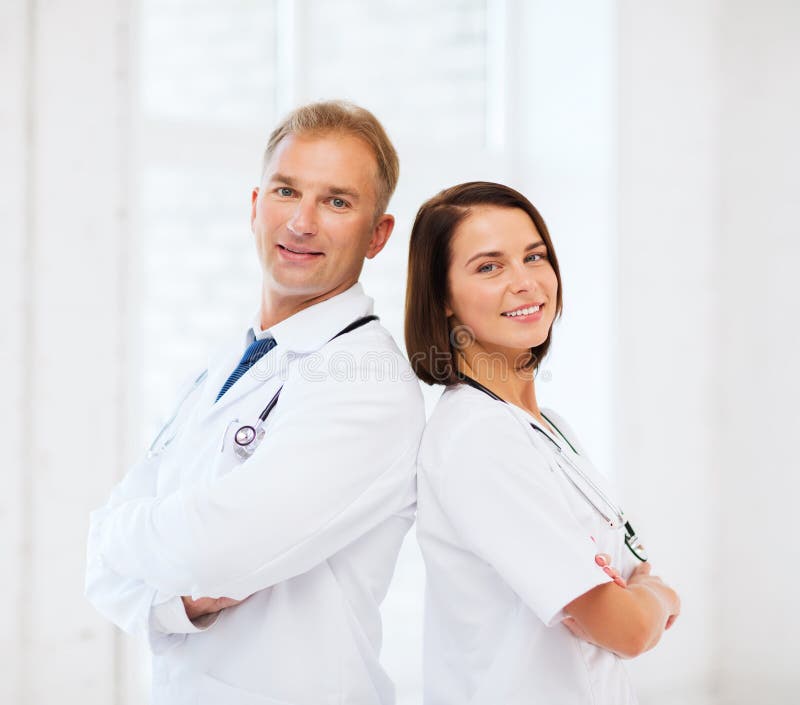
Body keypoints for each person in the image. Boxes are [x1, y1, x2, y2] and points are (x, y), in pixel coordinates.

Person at [85, 100, 425, 705]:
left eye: (336, 201)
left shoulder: (368, 384)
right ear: (254, 206)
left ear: (377, 235)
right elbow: (106, 572)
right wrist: (175, 602)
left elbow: (216, 547)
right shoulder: (229, 359)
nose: (302, 222)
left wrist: (111, 533)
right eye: (286, 191)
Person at [404, 181, 680, 705]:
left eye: (534, 257)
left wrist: (636, 597)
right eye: (489, 266)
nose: (525, 282)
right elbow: (626, 629)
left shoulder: (545, 427)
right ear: (442, 298)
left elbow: (623, 585)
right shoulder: (478, 439)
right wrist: (659, 596)